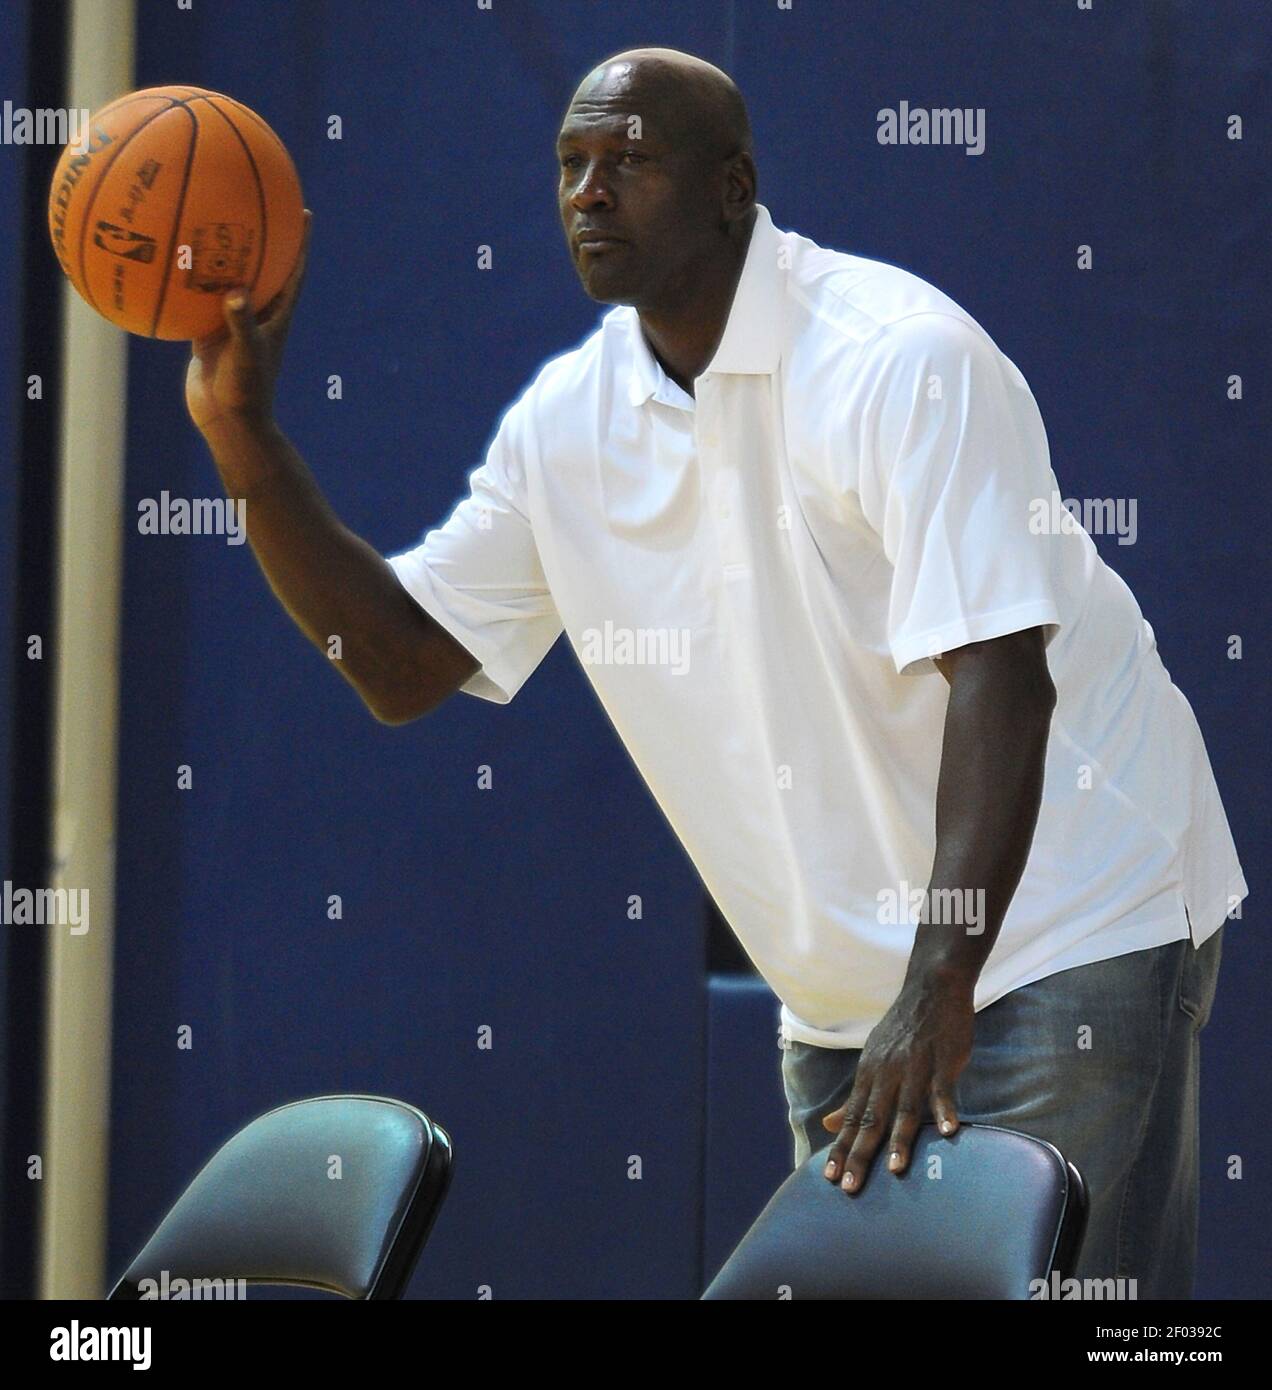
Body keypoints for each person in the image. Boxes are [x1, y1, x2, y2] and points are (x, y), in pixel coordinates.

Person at [185, 47, 1246, 1298]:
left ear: (732, 186)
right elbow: (402, 662)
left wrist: (936, 983)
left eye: (628, 162)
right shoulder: (566, 428)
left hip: (1065, 929)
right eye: (570, 165)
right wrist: (247, 445)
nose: (588, 192)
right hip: (850, 1004)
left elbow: (1003, 679)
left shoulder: (899, 359)